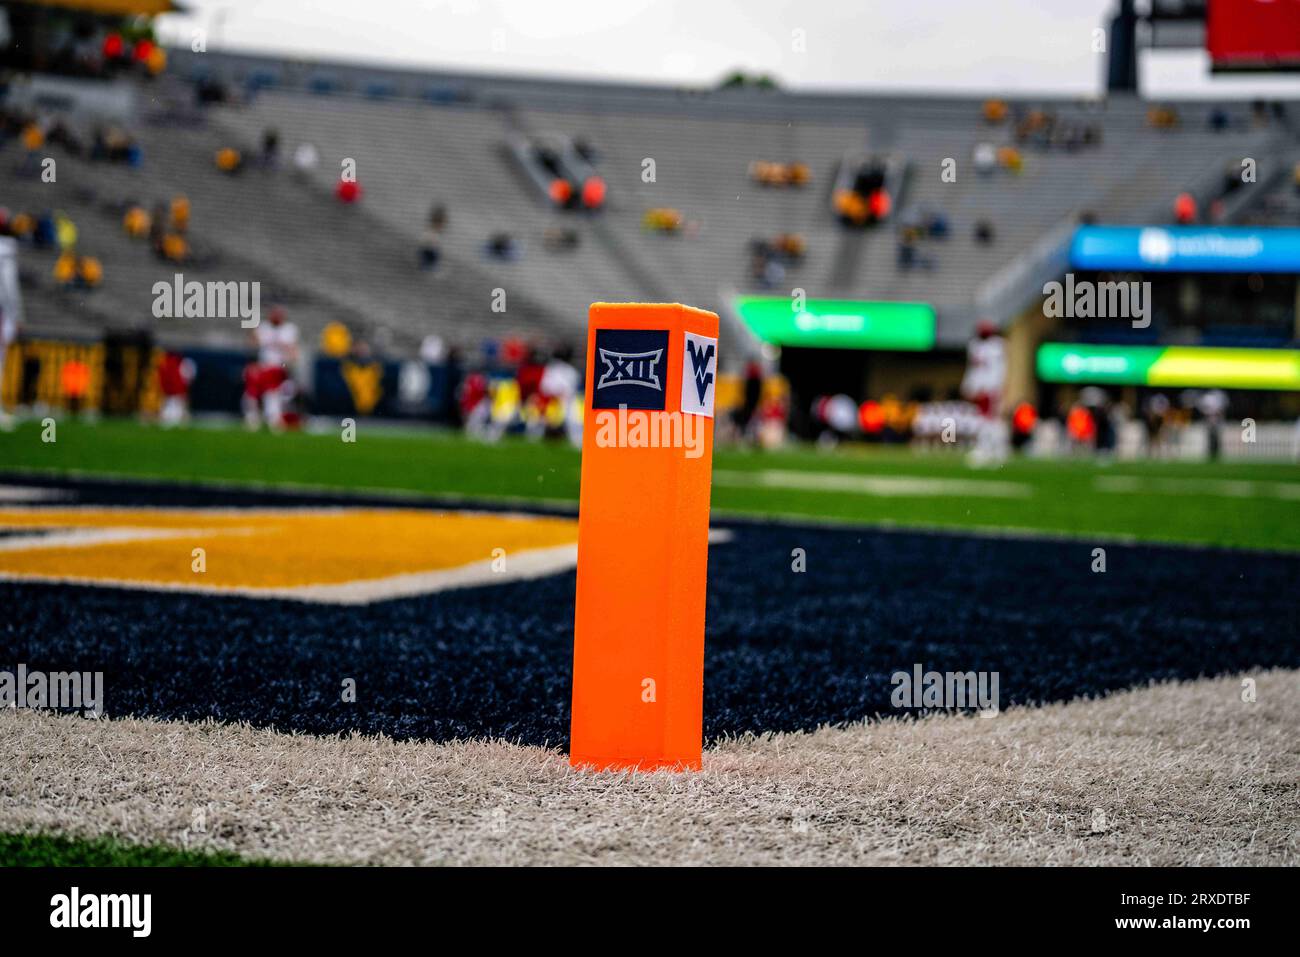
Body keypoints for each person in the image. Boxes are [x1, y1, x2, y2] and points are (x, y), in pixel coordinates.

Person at [243, 306, 300, 430]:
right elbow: (253, 343)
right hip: (264, 366)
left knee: (272, 393)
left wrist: (287, 356)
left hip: (279, 367)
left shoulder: (289, 329)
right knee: (253, 390)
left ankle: (272, 418)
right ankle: (255, 417)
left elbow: (293, 353)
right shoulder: (264, 327)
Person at [961, 320, 1007, 465]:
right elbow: (974, 368)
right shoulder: (976, 346)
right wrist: (970, 385)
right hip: (984, 387)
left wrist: (992, 386)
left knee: (988, 420)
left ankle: (989, 448)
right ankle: (992, 448)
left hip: (990, 387)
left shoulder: (996, 346)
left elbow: (995, 369)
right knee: (985, 419)